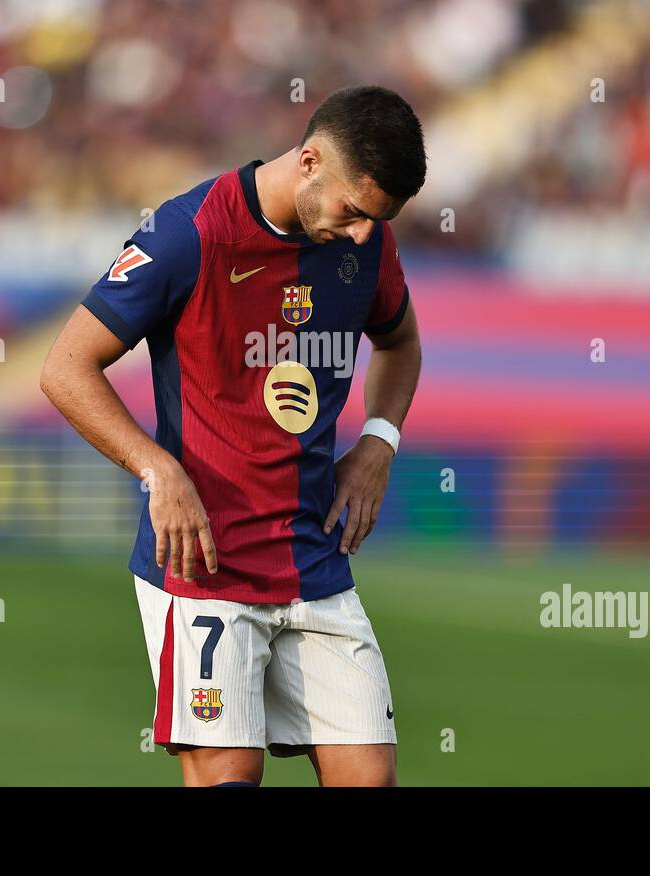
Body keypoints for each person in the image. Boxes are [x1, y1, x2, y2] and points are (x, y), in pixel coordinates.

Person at [41, 85, 426, 786]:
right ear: (309, 161)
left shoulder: (365, 246)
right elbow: (66, 368)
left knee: (370, 778)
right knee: (228, 777)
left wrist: (378, 442)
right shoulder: (188, 233)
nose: (366, 233)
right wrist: (157, 468)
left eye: (380, 219)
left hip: (315, 557)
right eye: (356, 211)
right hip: (204, 565)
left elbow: (400, 343)